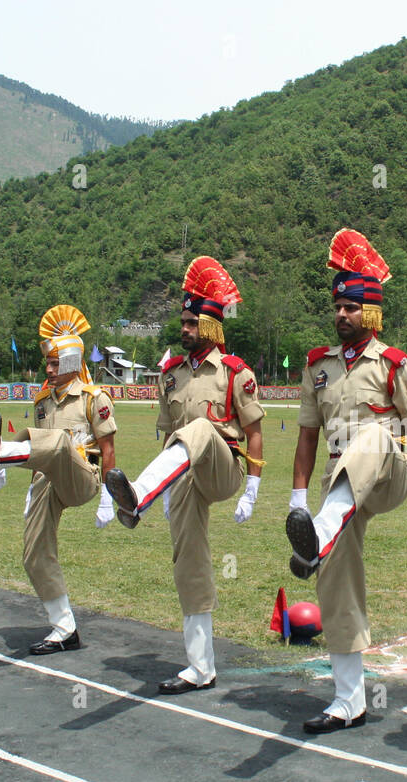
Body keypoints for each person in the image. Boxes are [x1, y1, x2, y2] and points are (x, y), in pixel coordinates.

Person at [286, 227, 407, 733]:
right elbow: (307, 436)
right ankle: (348, 702)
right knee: (337, 582)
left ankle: (319, 537)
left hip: (389, 471)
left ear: (370, 313)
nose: (341, 315)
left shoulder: (397, 364)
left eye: (351, 308)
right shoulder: (318, 366)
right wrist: (295, 499)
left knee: (374, 434)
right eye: (337, 307)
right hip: (339, 483)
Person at [103, 257, 264, 694]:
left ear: (211, 326)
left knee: (198, 429)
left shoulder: (234, 372)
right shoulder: (170, 375)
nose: (185, 328)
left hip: (222, 466)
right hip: (185, 474)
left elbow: (253, 431)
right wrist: (170, 485)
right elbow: (168, 439)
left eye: (192, 322)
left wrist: (252, 487)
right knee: (187, 562)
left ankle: (137, 496)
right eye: (183, 321)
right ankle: (200, 668)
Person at [0, 305, 117, 654]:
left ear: (69, 362)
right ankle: (65, 628)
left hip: (82, 477)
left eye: (55, 363)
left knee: (58, 441)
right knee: (34, 554)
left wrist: (110, 498)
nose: (48, 370)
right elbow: (42, 455)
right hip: (47, 479)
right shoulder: (41, 403)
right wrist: (29, 490)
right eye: (47, 364)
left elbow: (109, 450)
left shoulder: (95, 398)